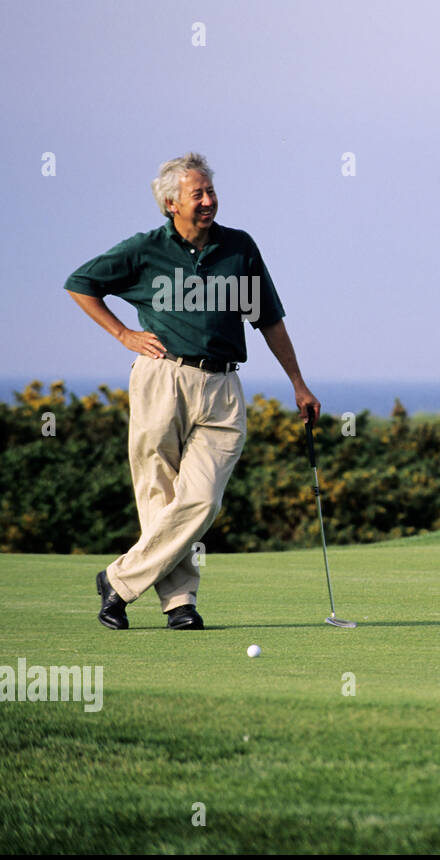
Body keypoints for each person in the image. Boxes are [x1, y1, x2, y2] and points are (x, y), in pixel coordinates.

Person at [66, 153, 320, 630]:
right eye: (196, 194)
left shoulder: (239, 248)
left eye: (210, 191)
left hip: (223, 385)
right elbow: (80, 284)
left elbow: (268, 319)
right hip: (163, 378)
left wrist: (298, 383)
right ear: (170, 204)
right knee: (158, 495)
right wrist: (125, 335)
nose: (208, 201)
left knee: (201, 499)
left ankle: (118, 581)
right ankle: (179, 602)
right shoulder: (144, 250)